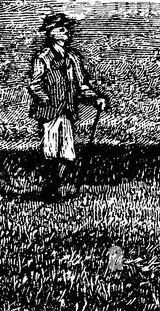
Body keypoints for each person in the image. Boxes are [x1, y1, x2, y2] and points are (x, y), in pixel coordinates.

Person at [26, 12, 108, 201]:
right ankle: (50, 189)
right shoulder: (43, 58)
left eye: (66, 28)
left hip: (66, 111)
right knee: (51, 152)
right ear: (51, 33)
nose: (65, 32)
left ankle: (53, 185)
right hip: (50, 112)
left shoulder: (72, 58)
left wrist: (96, 98)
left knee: (68, 154)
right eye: (60, 29)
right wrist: (47, 99)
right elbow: (35, 85)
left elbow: (82, 85)